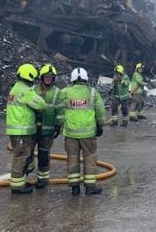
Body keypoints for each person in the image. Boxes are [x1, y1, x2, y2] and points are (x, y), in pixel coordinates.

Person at [58, 67, 106, 196]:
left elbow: (59, 112)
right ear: (86, 79)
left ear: (72, 79)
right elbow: (101, 112)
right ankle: (90, 187)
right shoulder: (92, 93)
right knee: (90, 158)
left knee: (72, 159)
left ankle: (75, 188)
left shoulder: (65, 92)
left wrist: (60, 125)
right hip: (88, 134)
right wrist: (101, 125)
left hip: (70, 134)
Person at [6, 63, 47, 194]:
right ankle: (17, 186)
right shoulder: (25, 91)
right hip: (22, 131)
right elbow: (41, 105)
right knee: (21, 156)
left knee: (21, 155)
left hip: (14, 130)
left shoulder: (15, 89)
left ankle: (20, 181)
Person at [26, 64, 61, 189]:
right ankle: (27, 170)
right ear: (41, 77)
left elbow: (60, 110)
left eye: (50, 77)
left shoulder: (57, 92)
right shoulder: (33, 89)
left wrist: (58, 125)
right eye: (46, 77)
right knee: (27, 153)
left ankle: (43, 179)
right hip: (32, 128)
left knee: (44, 155)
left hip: (47, 130)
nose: (48, 79)